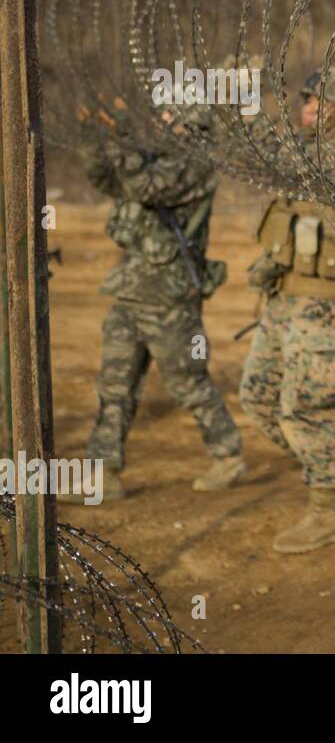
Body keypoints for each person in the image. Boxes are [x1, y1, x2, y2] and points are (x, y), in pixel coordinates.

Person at [237, 66, 335, 554]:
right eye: (304, 99)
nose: (305, 108)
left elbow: (275, 154)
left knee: (305, 408)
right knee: (259, 400)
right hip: (284, 298)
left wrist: (242, 102)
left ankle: (328, 512)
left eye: (316, 101)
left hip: (323, 306)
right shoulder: (307, 153)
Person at [66, 98, 244, 503]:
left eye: (171, 115)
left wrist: (121, 137)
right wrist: (96, 136)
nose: (162, 120)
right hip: (130, 289)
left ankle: (228, 454)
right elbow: (107, 179)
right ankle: (104, 472)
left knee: (186, 381)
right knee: (115, 384)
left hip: (169, 297)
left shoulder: (194, 166)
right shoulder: (156, 159)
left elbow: (142, 185)